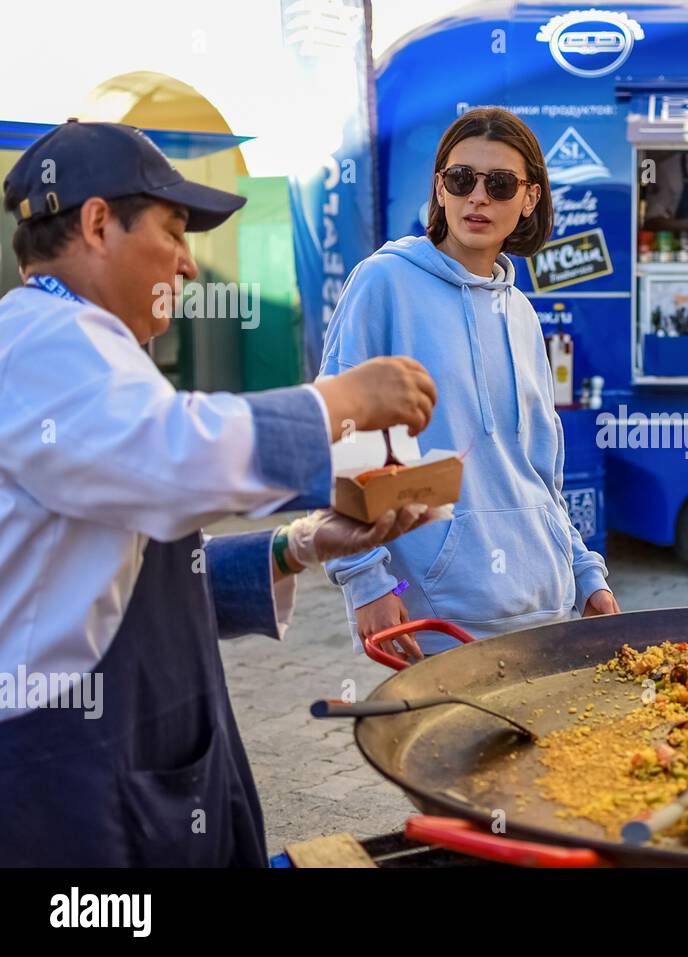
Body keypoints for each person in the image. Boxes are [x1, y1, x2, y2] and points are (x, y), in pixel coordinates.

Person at [0, 120, 442, 866]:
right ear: (98, 223)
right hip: (68, 777)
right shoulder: (42, 340)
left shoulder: (91, 348)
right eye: (174, 231)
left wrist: (299, 543)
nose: (189, 266)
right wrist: (337, 401)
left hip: (141, 758)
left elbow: (137, 562)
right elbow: (170, 458)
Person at [320, 107, 617, 659]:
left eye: (500, 184)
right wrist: (366, 581)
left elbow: (536, 471)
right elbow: (344, 433)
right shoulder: (384, 283)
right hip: (443, 618)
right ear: (439, 188)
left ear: (528, 199)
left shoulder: (523, 313)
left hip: (546, 609)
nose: (478, 197)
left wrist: (584, 574)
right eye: (461, 180)